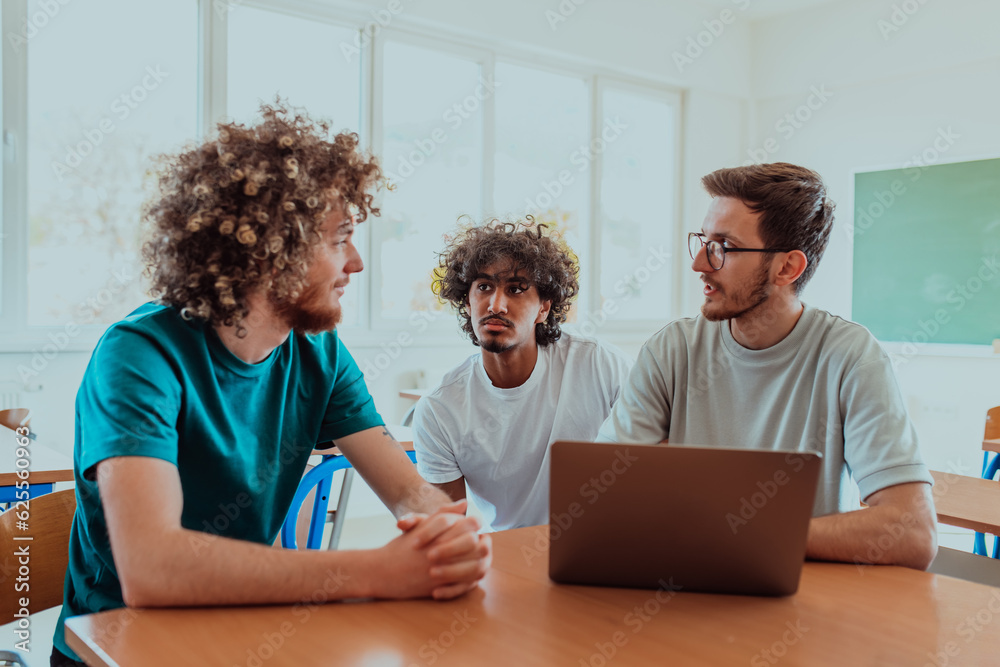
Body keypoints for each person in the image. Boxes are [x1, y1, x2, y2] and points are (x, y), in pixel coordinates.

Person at [52, 103, 490, 666]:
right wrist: (378, 572)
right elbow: (152, 569)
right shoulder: (139, 355)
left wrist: (447, 532)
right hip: (122, 649)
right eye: (340, 238)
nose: (355, 262)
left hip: (244, 632)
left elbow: (407, 491)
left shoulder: (319, 350)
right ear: (269, 249)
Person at [597, 162, 937, 570]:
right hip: (684, 589)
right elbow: (606, 492)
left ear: (787, 268)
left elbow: (913, 532)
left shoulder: (850, 356)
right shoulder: (672, 350)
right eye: (703, 241)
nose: (700, 264)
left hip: (803, 603)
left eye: (724, 246)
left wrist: (745, 531)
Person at [413, 221, 632, 531]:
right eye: (484, 287)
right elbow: (445, 530)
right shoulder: (439, 410)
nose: (496, 305)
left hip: (600, 544)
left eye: (515, 289)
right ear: (467, 301)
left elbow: (662, 452)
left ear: (544, 308)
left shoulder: (599, 364)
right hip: (508, 554)